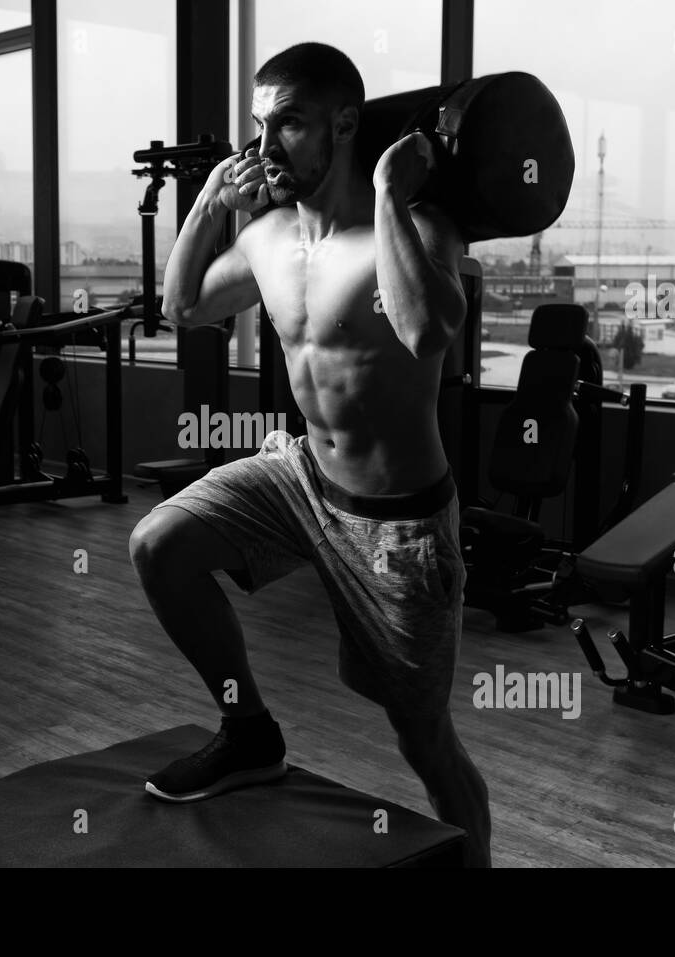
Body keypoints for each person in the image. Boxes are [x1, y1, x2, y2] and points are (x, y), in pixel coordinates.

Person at [127, 42, 491, 867]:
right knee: (160, 543)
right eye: (258, 126)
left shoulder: (414, 229)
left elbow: (428, 329)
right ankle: (249, 730)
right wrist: (211, 202)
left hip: (397, 523)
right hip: (301, 478)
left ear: (345, 124)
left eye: (287, 122)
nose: (264, 147)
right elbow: (180, 305)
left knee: (425, 741)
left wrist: (393, 195)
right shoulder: (268, 238)